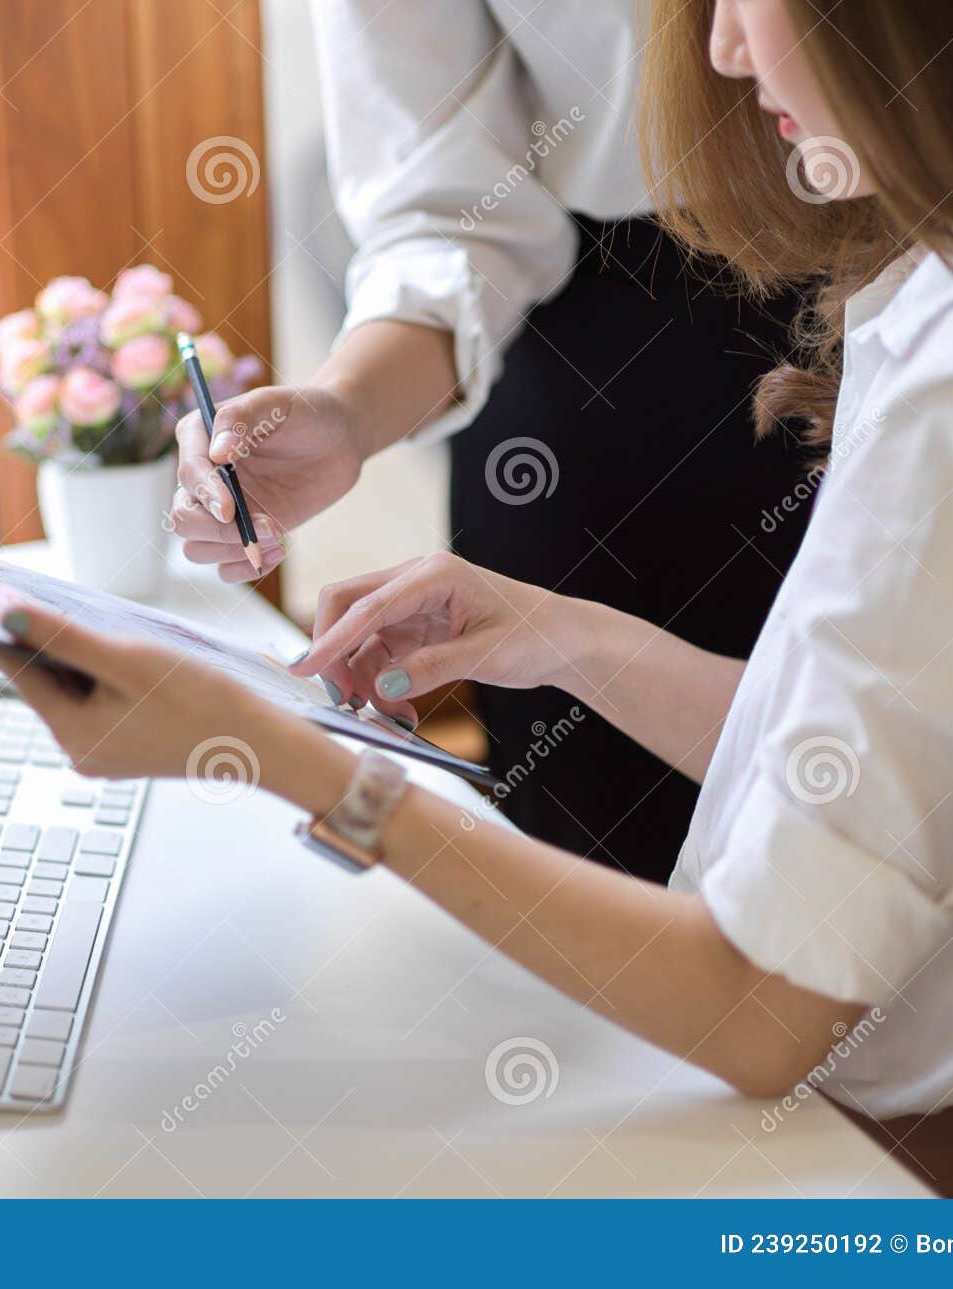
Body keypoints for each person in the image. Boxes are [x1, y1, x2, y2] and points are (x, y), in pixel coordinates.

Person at [0, 0, 953, 1198]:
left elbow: (762, 1009)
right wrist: (562, 635)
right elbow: (876, 766)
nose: (713, 50)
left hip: (918, 1174)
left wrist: (299, 766)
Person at [168, 0, 811, 881]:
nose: (721, 48)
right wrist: (346, 411)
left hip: (904, 261)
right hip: (593, 368)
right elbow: (448, 217)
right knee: (596, 865)